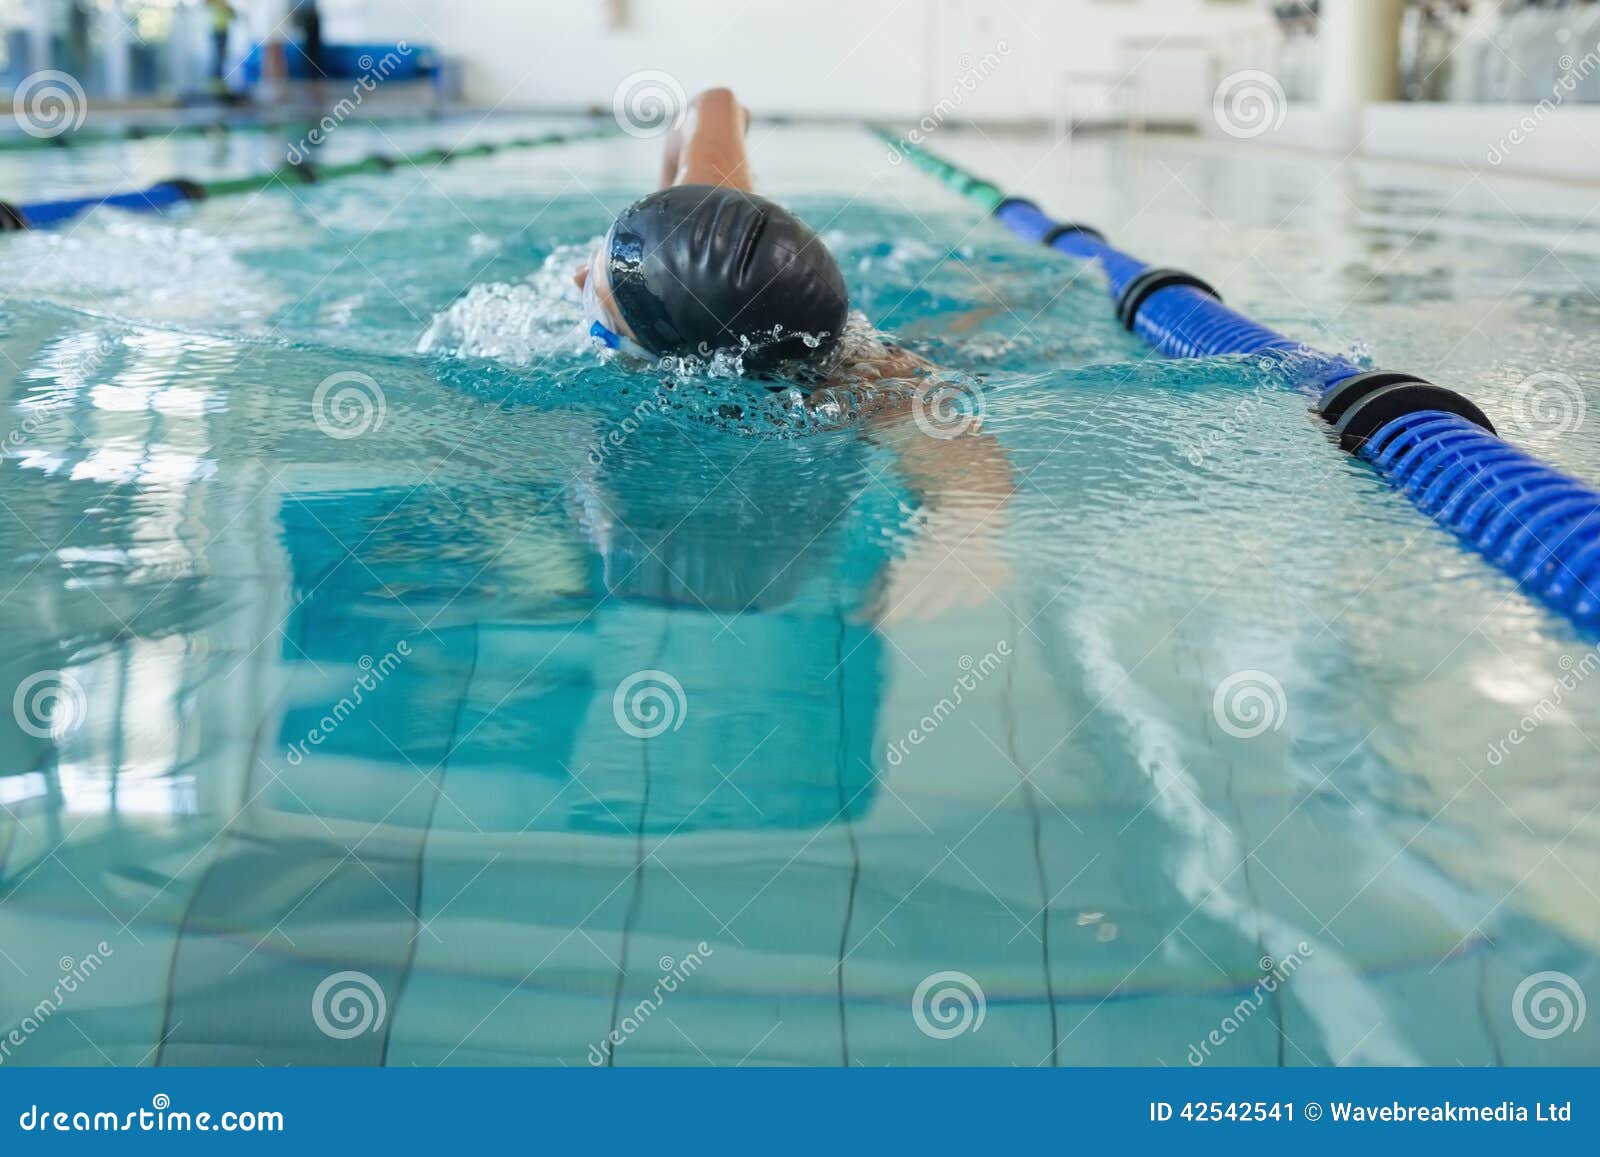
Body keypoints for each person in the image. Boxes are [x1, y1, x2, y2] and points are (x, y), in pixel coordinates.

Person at [576, 87, 927, 383]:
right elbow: (716, 102)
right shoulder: (701, 218)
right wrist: (666, 212)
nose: (578, 276)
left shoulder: (877, 391)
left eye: (603, 325)